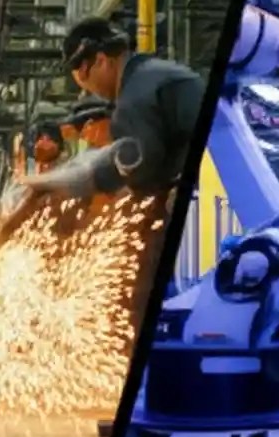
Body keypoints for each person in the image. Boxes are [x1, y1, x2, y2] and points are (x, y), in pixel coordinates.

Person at [19, 17, 207, 337]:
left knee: (142, 281)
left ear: (101, 61)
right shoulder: (152, 75)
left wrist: (84, 182)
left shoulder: (134, 98)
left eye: (82, 76)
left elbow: (142, 165)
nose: (85, 87)